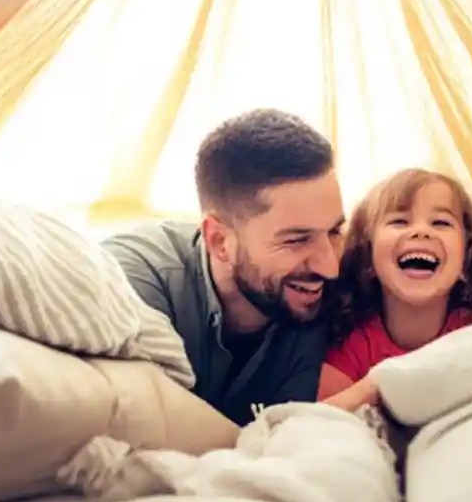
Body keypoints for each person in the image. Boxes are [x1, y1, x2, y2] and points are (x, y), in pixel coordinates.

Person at [101, 109, 346, 426]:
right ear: (218, 240)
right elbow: (140, 429)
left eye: (335, 232)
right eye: (297, 240)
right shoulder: (134, 275)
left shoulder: (314, 299)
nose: (330, 266)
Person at [317, 167, 472, 413]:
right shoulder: (352, 346)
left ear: (465, 258)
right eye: (399, 221)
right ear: (368, 259)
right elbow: (319, 419)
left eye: (441, 222)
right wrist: (374, 388)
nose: (421, 231)